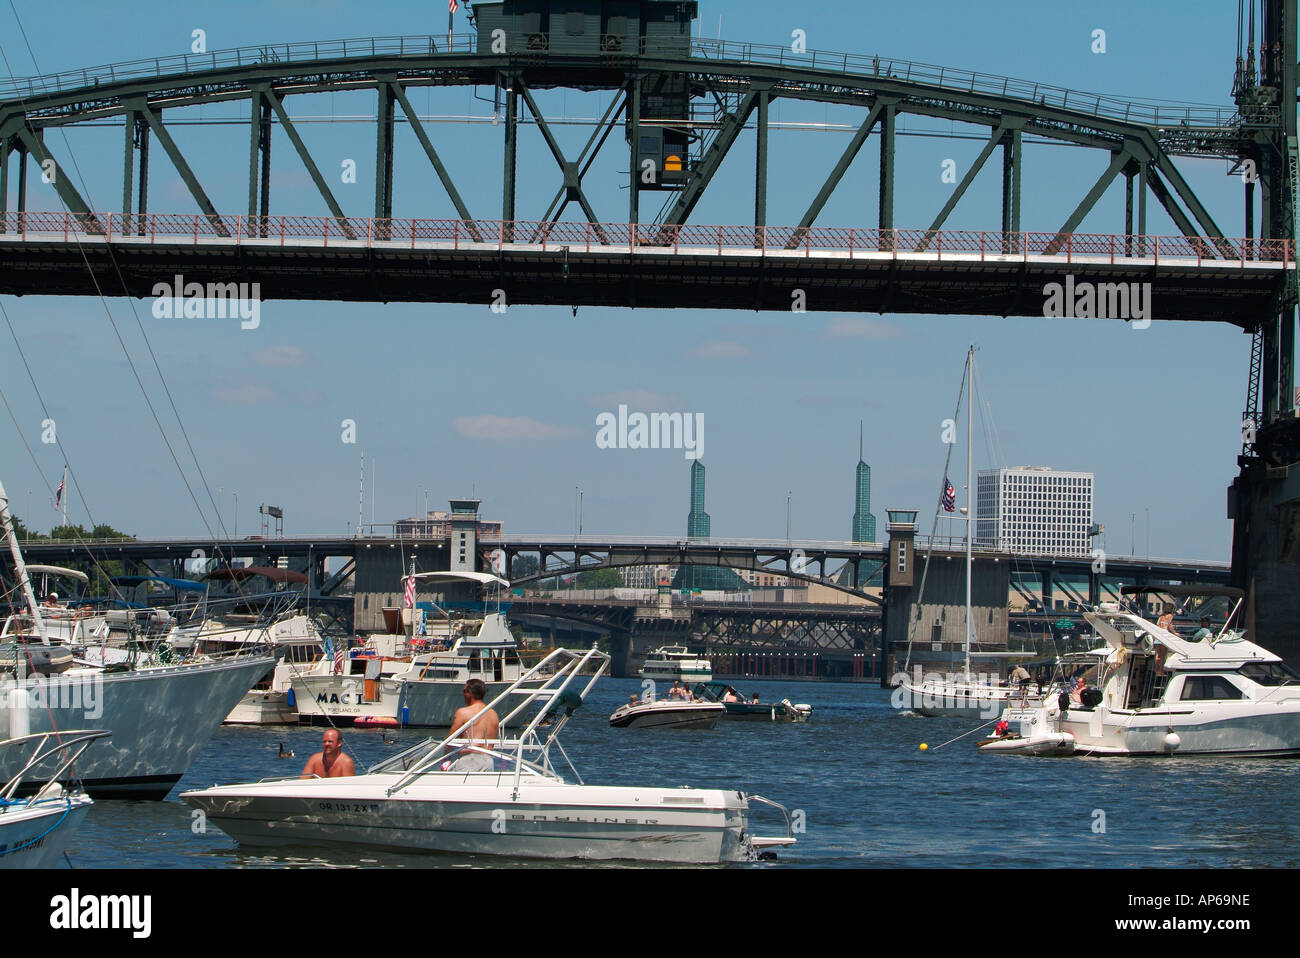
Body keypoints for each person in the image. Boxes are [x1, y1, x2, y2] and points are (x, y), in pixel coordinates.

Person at [448, 678, 499, 772]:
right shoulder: (493, 714)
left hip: (469, 760)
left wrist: (445, 760)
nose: (463, 695)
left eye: (464, 691)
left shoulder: (463, 712)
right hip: (488, 761)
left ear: (470, 693)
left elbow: (449, 741)